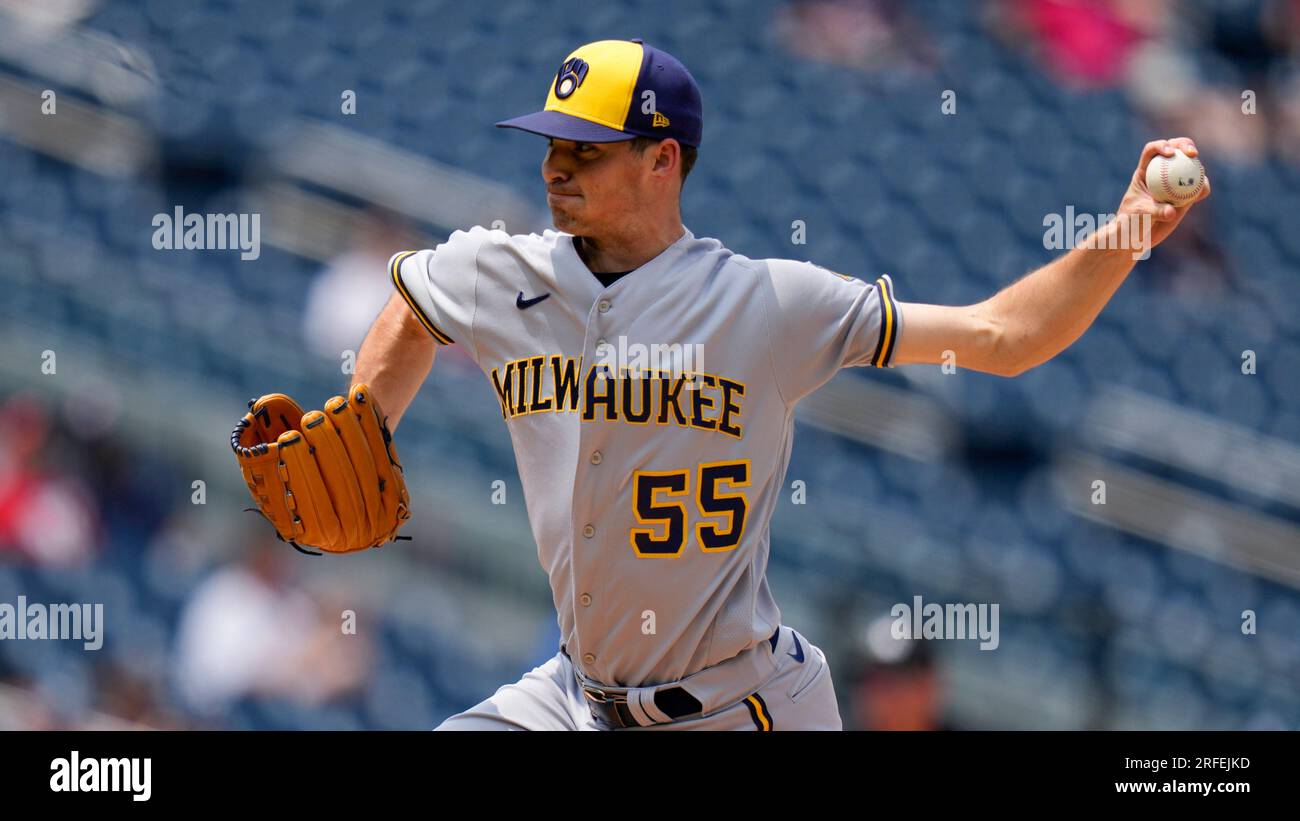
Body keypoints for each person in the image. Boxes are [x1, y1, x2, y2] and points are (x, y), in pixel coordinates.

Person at [351, 38, 1209, 730]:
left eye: (588, 148)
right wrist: (362, 423)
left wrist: (1130, 228)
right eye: (551, 144)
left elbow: (1003, 336)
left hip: (740, 703)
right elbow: (414, 302)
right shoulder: (501, 271)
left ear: (663, 160)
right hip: (574, 698)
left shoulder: (768, 301)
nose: (556, 167)